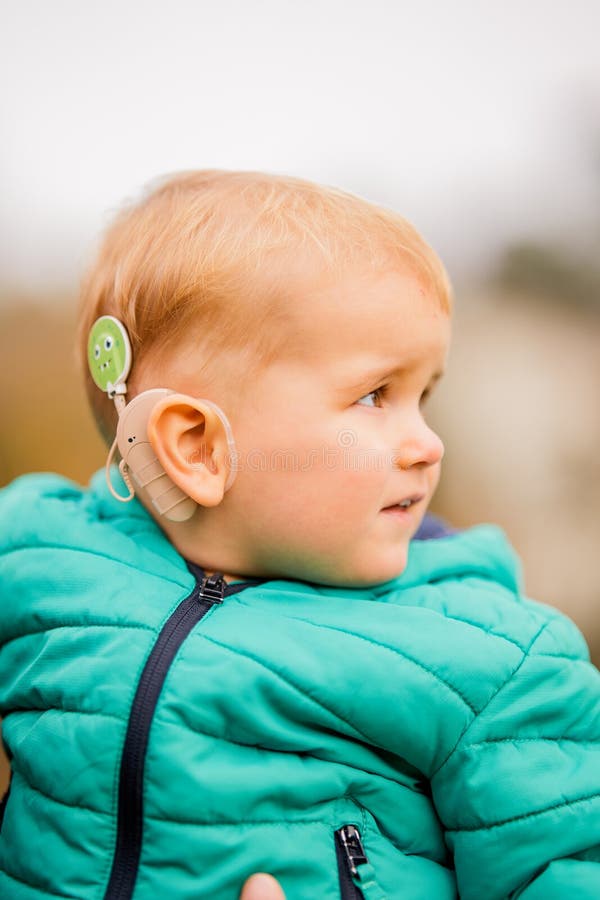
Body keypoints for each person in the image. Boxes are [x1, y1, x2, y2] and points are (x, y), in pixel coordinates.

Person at [0, 171, 598, 899]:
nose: (428, 444)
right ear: (194, 448)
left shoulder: (491, 654)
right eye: (376, 394)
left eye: (424, 394)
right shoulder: (38, 559)